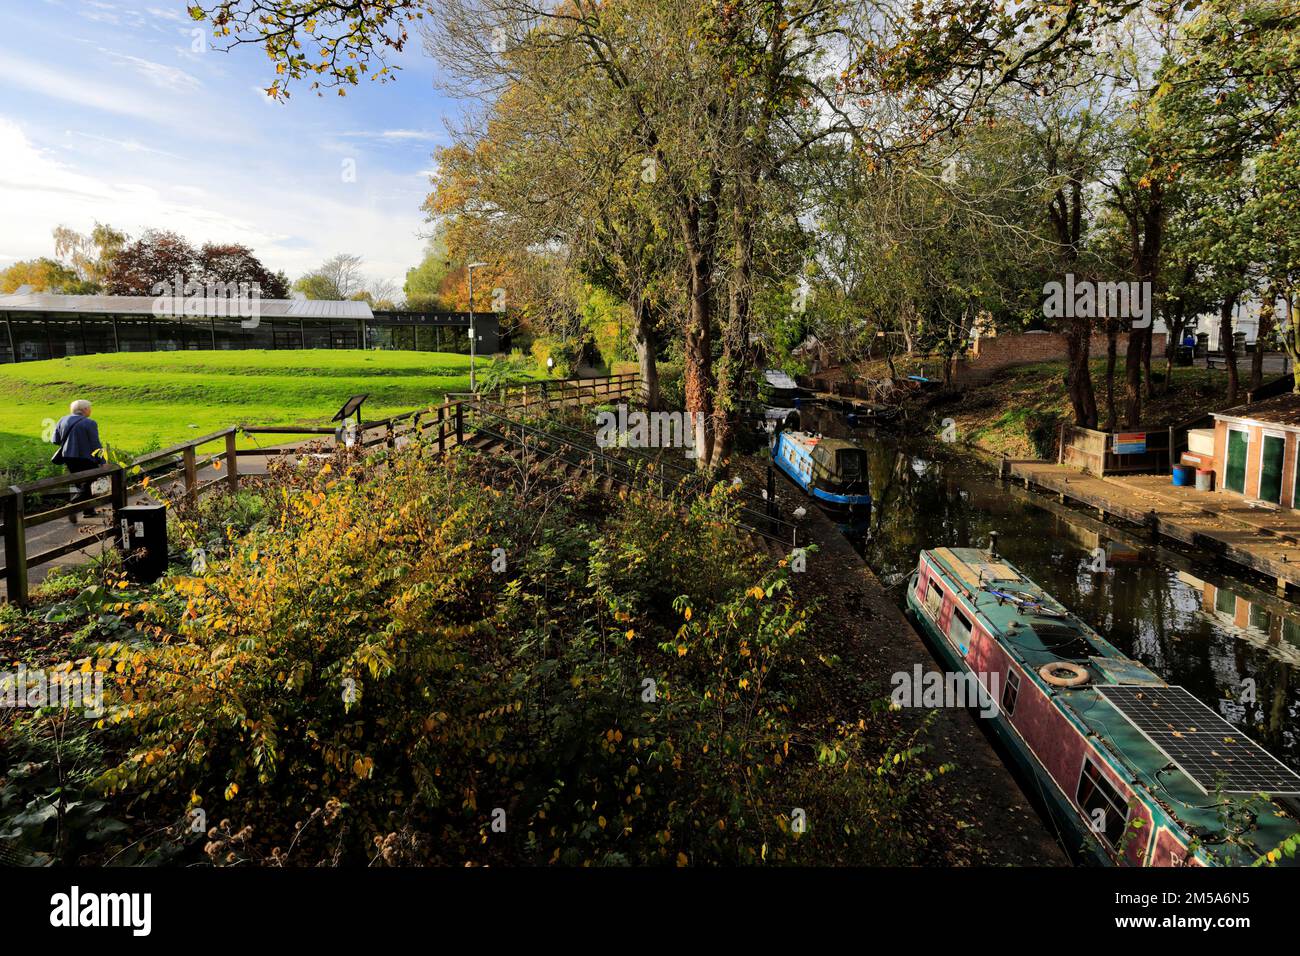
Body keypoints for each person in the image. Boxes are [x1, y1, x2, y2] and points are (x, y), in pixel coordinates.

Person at [50, 399, 103, 524]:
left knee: (81, 484)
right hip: (86, 457)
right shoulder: (90, 423)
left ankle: (88, 511)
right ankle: (72, 506)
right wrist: (102, 460)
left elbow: (55, 440)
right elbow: (95, 444)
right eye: (89, 408)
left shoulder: (62, 420)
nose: (90, 410)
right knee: (90, 483)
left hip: (68, 457)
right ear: (84, 410)